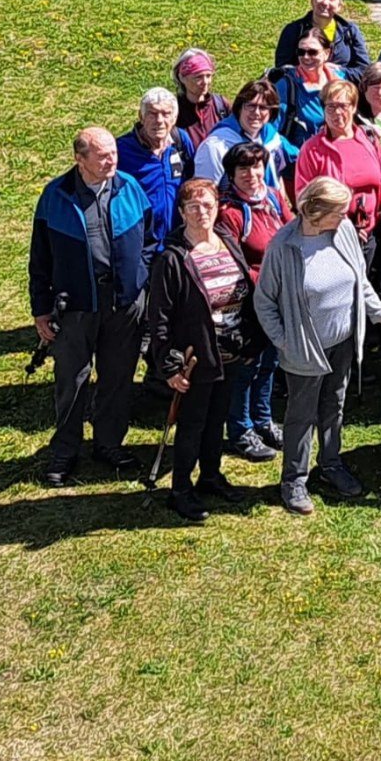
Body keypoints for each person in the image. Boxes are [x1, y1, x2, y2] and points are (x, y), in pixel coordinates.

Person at [254, 176, 381, 515]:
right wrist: (285, 342)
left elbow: (360, 280)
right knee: (301, 415)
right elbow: (264, 301)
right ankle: (294, 479)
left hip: (342, 342)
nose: (346, 217)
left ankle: (331, 464)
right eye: (339, 211)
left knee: (333, 406)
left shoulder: (343, 233)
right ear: (314, 211)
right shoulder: (283, 247)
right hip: (305, 349)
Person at [29, 126, 154, 484]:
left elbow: (150, 238)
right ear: (79, 159)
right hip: (77, 308)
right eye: (101, 155)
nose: (111, 159)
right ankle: (65, 451)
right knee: (72, 380)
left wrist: (138, 279)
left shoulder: (130, 187)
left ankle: (109, 444)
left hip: (124, 306)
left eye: (113, 152)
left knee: (117, 378)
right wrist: (41, 308)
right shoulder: (56, 196)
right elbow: (40, 259)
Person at [147, 178, 258, 519]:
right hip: (196, 360)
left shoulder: (227, 241)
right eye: (193, 206)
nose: (202, 213)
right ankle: (180, 488)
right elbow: (160, 318)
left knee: (217, 421)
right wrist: (169, 367)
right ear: (181, 212)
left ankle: (210, 476)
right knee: (193, 425)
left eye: (208, 205)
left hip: (231, 352)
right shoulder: (172, 259)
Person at [217, 141, 290, 461]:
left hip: (280, 297)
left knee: (271, 362)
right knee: (248, 366)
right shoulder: (228, 212)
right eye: (243, 168)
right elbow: (235, 262)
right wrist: (266, 285)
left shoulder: (273, 198)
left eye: (257, 166)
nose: (251, 174)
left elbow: (293, 233)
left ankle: (263, 420)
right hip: (250, 303)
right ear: (231, 174)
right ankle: (240, 429)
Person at [294, 80, 381, 276]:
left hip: (372, 233)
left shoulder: (369, 139)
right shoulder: (311, 150)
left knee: (376, 291)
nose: (337, 113)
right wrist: (342, 227)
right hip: (332, 239)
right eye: (331, 107)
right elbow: (304, 199)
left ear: (354, 108)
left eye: (343, 106)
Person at [116, 87, 194, 246]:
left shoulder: (181, 142)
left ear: (174, 118)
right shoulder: (121, 150)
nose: (159, 120)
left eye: (166, 114)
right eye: (152, 113)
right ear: (141, 117)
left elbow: (193, 179)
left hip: (177, 239)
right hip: (141, 243)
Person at [195, 77, 290, 185]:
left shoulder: (272, 139)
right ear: (240, 108)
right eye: (251, 106)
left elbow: (278, 177)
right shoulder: (216, 146)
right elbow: (205, 190)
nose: (256, 113)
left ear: (271, 112)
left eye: (263, 108)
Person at [273, 33, 351, 155]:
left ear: (326, 53)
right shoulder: (285, 86)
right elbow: (270, 131)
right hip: (301, 163)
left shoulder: (340, 81)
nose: (306, 57)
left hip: (338, 158)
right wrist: (298, 155)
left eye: (313, 52)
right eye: (301, 52)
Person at [274, 0, 372, 76]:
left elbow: (364, 70)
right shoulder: (293, 30)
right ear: (312, 1)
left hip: (341, 89)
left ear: (340, 6)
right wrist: (310, 72)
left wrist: (339, 72)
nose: (325, 2)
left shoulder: (350, 31)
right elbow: (282, 69)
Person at [172, 49, 230, 148]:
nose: (205, 82)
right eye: (198, 77)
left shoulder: (221, 105)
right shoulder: (173, 110)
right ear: (182, 78)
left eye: (208, 76)